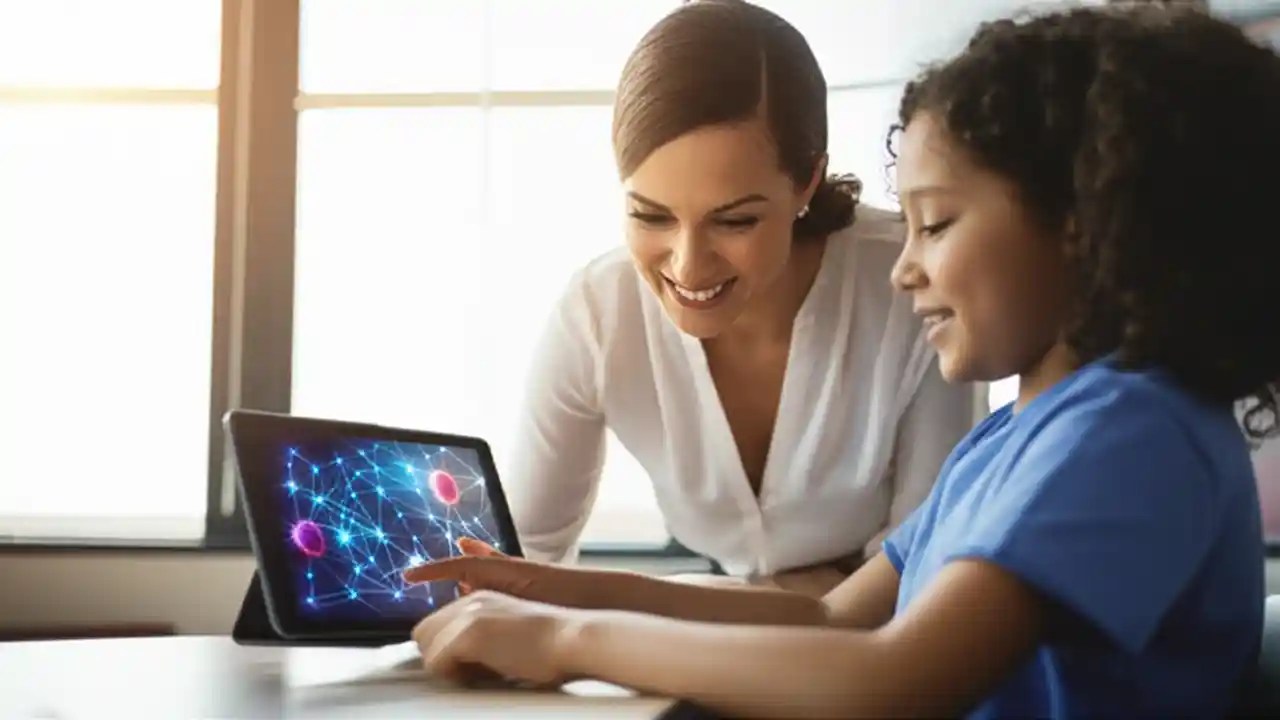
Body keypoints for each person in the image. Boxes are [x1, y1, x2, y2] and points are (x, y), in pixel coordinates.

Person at [406, 5, 1279, 718]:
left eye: (935, 225)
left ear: (1082, 228)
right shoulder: (1015, 441)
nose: (905, 266)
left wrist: (565, 641)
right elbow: (825, 616)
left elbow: (895, 678)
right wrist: (549, 590)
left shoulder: (1127, 431)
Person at [499, 0, 977, 597]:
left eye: (735, 222)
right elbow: (519, 562)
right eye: (651, 216)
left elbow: (921, 575)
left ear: (806, 180)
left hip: (878, 658)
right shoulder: (599, 311)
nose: (687, 265)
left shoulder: (912, 282)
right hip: (756, 629)